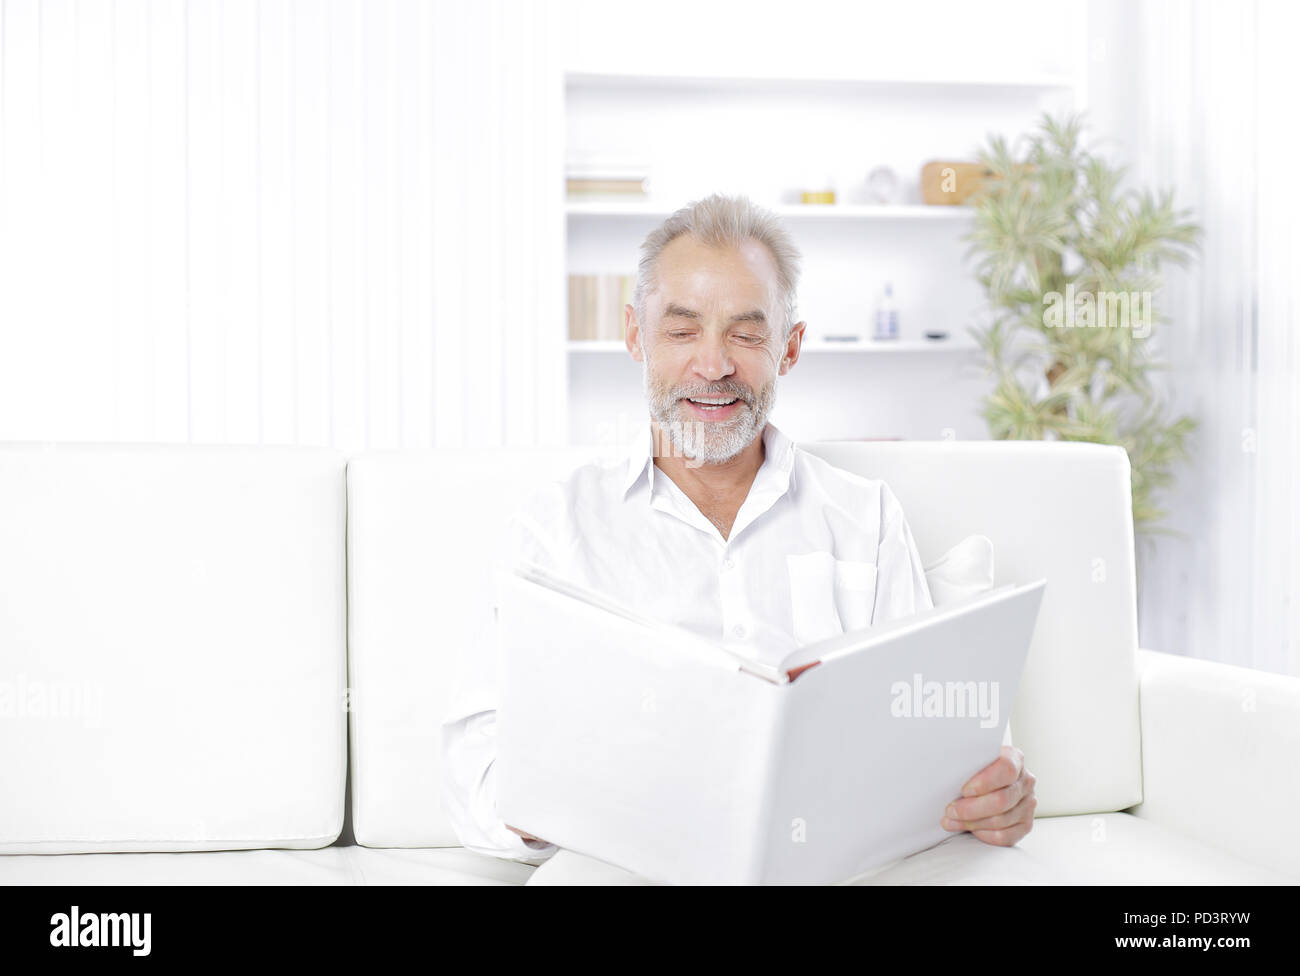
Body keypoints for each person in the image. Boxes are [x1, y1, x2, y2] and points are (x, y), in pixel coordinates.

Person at [440, 193, 1036, 867]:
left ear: (790, 348)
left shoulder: (863, 518)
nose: (715, 365)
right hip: (623, 862)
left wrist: (987, 792)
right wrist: (578, 793)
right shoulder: (556, 530)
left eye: (747, 335)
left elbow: (927, 734)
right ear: (636, 335)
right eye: (683, 330)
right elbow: (476, 776)